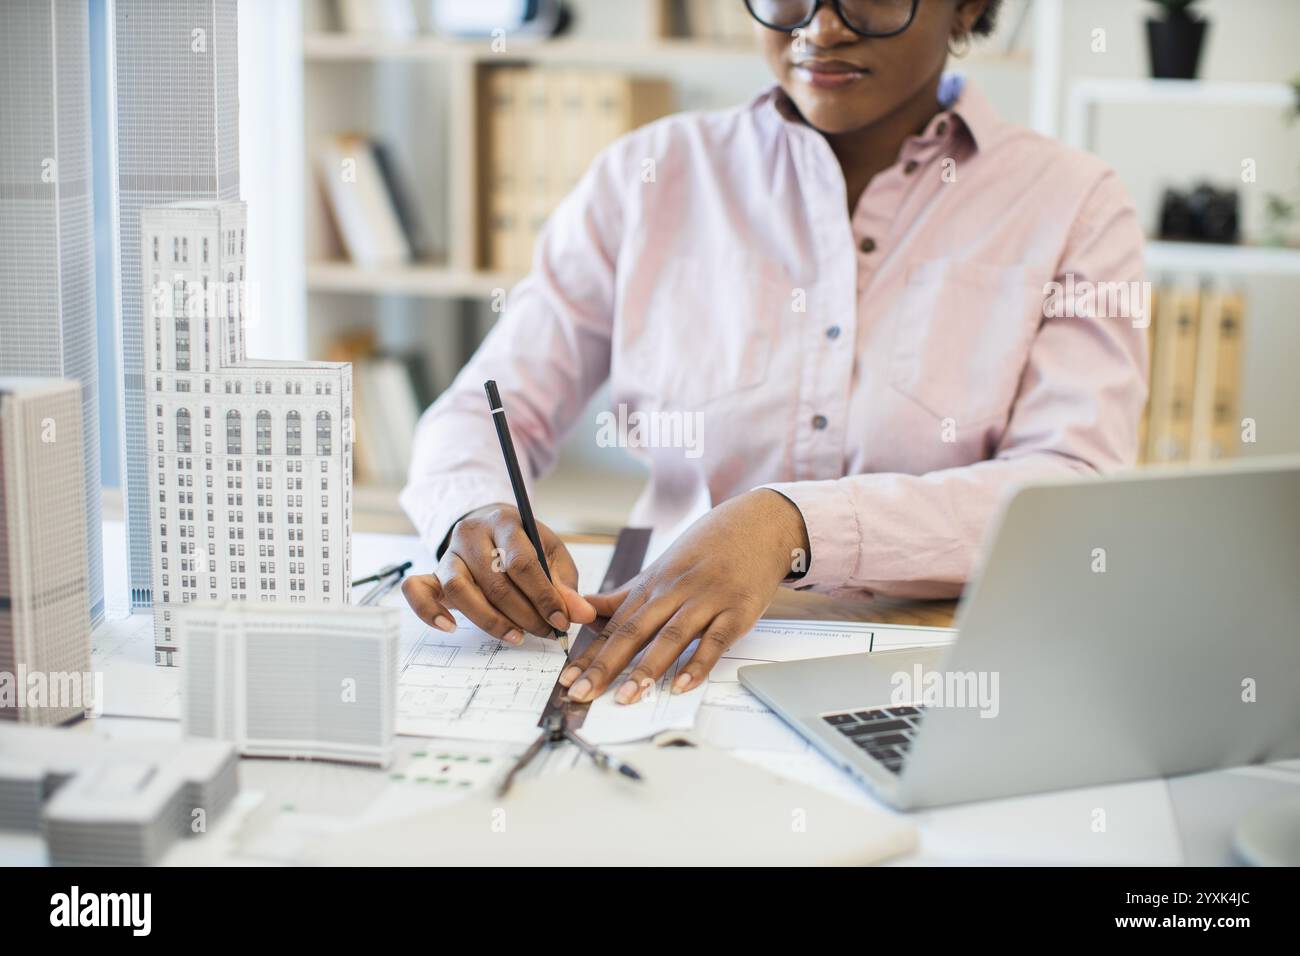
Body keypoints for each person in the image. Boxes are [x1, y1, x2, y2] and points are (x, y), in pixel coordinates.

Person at [400, 0, 1147, 708]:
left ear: (967, 6)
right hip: (653, 641)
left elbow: (1073, 484)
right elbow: (485, 406)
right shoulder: (647, 176)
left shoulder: (1074, 202)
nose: (820, 29)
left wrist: (790, 523)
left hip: (934, 655)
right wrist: (473, 511)